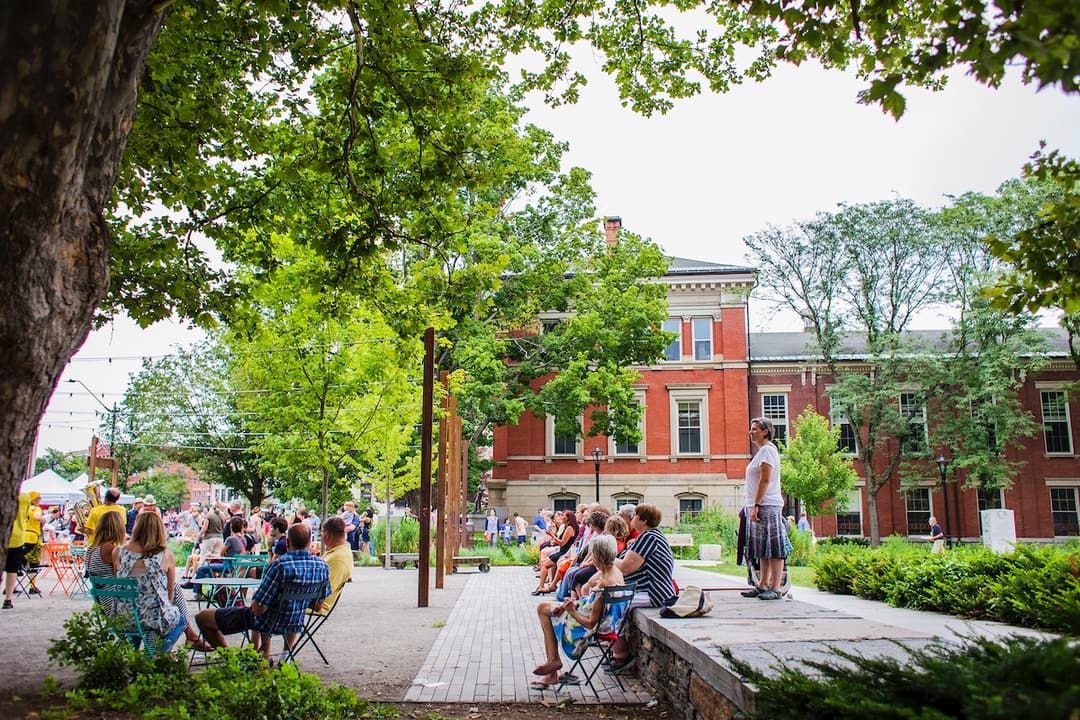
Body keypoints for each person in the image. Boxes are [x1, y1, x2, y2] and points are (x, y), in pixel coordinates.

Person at [195, 523, 330, 658]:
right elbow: (318, 606)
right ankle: (282, 657)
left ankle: (231, 659)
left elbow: (258, 610)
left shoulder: (279, 566)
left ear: (287, 543)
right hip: (295, 622)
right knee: (271, 609)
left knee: (202, 617)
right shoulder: (322, 566)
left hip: (266, 622)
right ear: (310, 543)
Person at [530, 534, 625, 688]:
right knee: (546, 608)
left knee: (543, 609)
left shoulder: (605, 584)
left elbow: (590, 624)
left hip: (588, 627)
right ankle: (552, 665)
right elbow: (590, 587)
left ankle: (553, 663)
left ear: (597, 556)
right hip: (601, 620)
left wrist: (572, 611)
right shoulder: (615, 573)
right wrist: (573, 603)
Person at [608, 503, 676, 672]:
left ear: (643, 520)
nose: (633, 519)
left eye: (636, 516)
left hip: (654, 592)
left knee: (612, 602)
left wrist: (605, 557)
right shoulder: (649, 536)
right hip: (647, 590)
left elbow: (625, 567)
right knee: (609, 599)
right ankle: (615, 650)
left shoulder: (649, 537)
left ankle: (621, 654)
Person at [113, 512, 184, 648]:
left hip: (123, 617)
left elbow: (120, 582)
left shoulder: (118, 552)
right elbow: (169, 595)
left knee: (136, 620)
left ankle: (132, 649)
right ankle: (156, 655)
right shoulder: (165, 555)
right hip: (153, 619)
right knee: (181, 620)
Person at [741, 417, 787, 601]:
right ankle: (762, 584)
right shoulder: (761, 452)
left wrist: (757, 504)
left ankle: (776, 587)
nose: (751, 432)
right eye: (751, 429)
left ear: (765, 431)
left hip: (767, 504)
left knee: (774, 546)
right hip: (758, 504)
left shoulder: (767, 450)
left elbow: (765, 479)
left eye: (755, 429)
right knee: (762, 547)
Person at [184, 516, 246, 593]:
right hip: (237, 567)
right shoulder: (243, 539)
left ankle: (198, 593)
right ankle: (214, 590)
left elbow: (221, 553)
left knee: (201, 569)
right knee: (210, 568)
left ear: (231, 527)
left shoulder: (230, 539)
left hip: (228, 566)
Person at [3, 492, 32, 609]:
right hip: (17, 537)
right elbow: (26, 516)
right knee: (12, 569)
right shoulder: (25, 497)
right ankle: (8, 599)